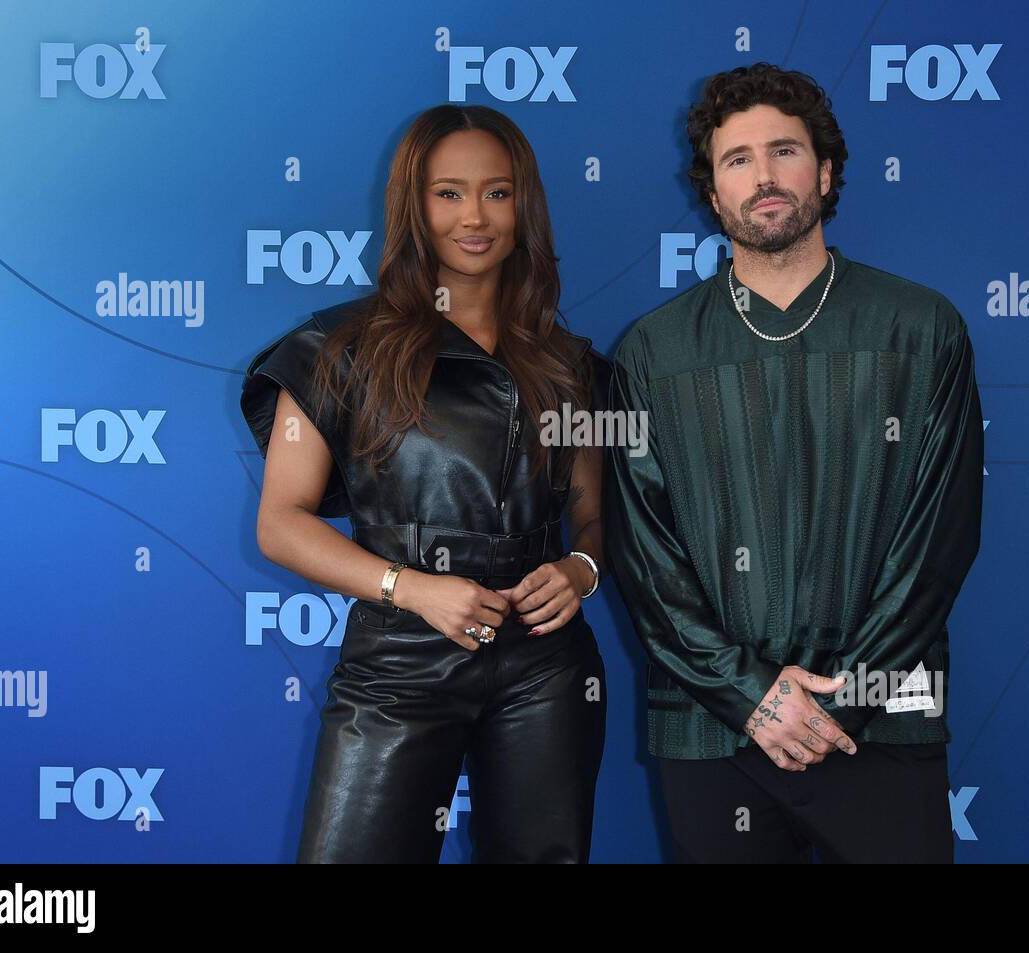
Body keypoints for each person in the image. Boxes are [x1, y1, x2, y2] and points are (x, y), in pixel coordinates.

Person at [603, 63, 984, 863]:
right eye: (736, 159)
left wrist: (838, 705)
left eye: (785, 150)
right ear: (712, 192)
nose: (764, 175)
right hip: (712, 726)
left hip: (887, 719)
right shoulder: (651, 351)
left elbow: (938, 540)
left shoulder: (921, 328)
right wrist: (751, 696)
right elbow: (644, 555)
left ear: (827, 170)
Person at [240, 104, 609, 864]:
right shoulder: (334, 348)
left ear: (524, 206)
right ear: (414, 204)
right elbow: (281, 522)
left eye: (498, 193)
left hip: (546, 661)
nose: (475, 217)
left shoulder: (568, 361)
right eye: (449, 193)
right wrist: (411, 589)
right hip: (400, 657)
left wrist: (581, 569)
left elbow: (593, 516)